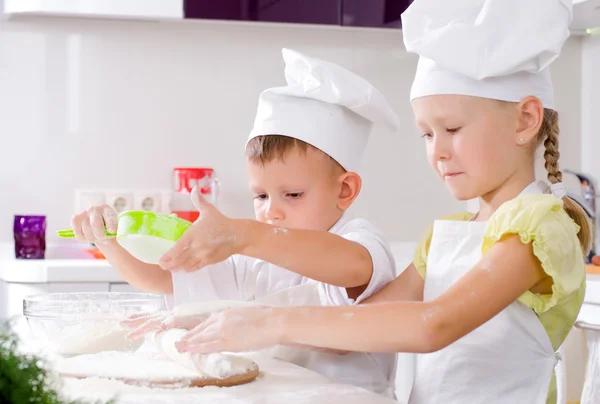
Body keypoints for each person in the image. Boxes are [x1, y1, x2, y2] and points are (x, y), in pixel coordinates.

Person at [158, 1, 589, 403]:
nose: (436, 150)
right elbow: (362, 323)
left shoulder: (542, 227)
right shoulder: (448, 233)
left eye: (452, 128)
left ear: (526, 119)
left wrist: (270, 321)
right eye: (427, 133)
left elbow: (433, 325)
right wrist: (221, 318)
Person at [71, 48, 402, 397]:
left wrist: (247, 234)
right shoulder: (253, 260)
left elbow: (352, 268)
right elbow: (164, 277)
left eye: (292, 195)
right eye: (261, 196)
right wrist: (108, 242)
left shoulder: (359, 240)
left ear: (345, 190)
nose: (271, 212)